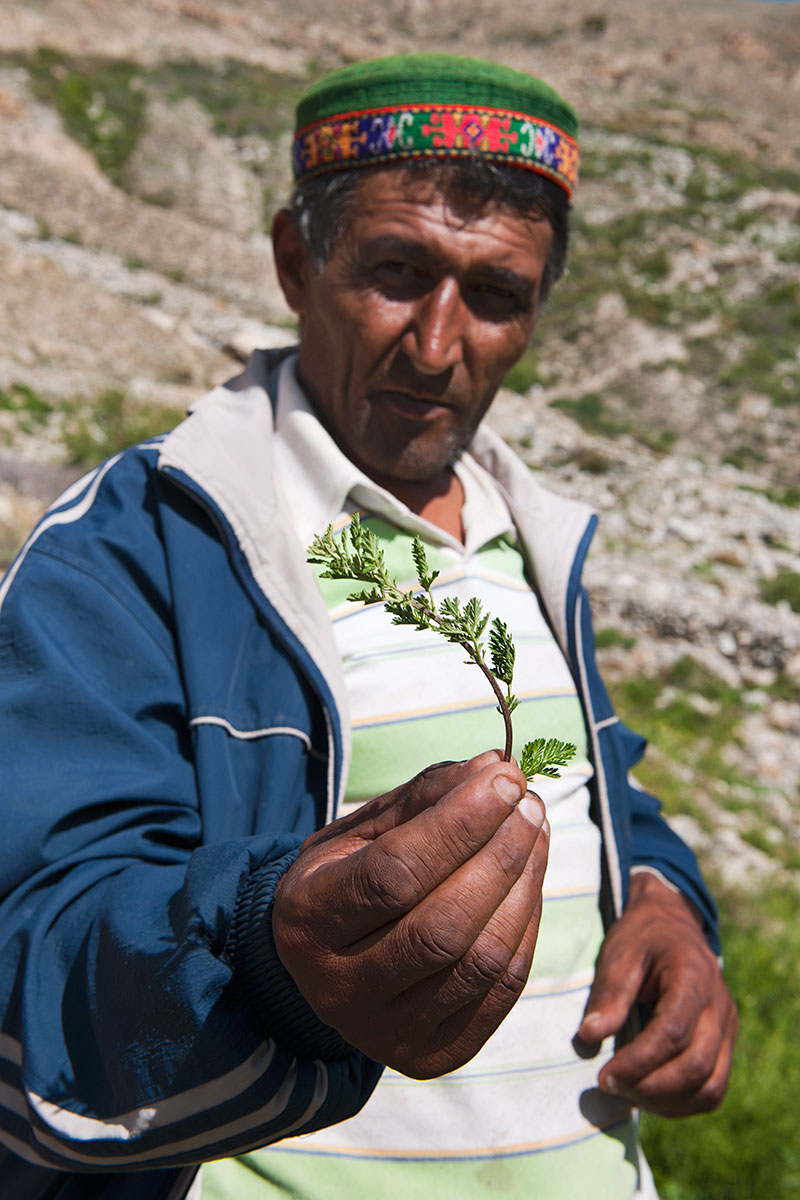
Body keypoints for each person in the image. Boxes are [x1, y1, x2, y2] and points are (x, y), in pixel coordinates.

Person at [0, 53, 736, 1200]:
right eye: (397, 273)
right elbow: (33, 944)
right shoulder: (144, 545)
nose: (439, 347)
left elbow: (601, 785)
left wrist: (663, 902)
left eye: (494, 295)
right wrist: (271, 954)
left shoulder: (530, 532)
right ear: (298, 263)